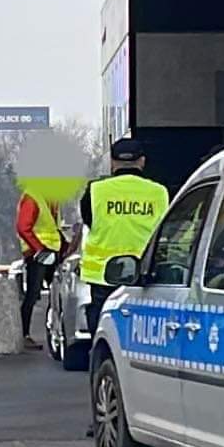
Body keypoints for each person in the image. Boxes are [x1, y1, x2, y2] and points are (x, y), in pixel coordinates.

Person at [77, 138, 171, 340]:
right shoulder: (159, 192)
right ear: (142, 161)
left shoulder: (95, 190)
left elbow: (89, 221)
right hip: (145, 276)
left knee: (104, 336)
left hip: (103, 276)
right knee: (143, 336)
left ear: (112, 162)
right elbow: (166, 229)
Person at [15, 187, 61, 349]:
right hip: (38, 254)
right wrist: (39, 249)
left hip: (51, 250)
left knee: (57, 294)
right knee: (33, 294)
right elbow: (23, 227)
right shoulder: (33, 197)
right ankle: (23, 334)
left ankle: (56, 331)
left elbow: (54, 227)